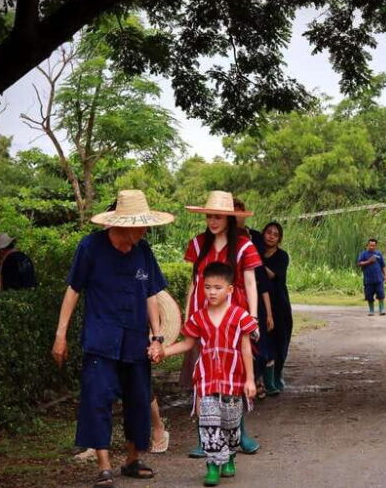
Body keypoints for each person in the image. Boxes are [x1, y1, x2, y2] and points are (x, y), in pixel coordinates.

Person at [51, 189, 172, 488]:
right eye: (140, 226)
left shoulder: (142, 251)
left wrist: (156, 337)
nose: (144, 231)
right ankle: (104, 466)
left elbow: (151, 295)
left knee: (138, 400)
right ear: (123, 223)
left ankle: (131, 460)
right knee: (97, 400)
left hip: (134, 341)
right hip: (100, 339)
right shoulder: (90, 247)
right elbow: (73, 290)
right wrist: (60, 335)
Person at [159, 261, 257, 485]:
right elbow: (187, 344)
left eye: (218, 288)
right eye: (207, 287)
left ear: (230, 289)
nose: (211, 292)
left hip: (233, 380)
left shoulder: (240, 317)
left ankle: (230, 456)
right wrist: (164, 352)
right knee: (209, 423)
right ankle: (212, 465)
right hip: (206, 380)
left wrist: (250, 380)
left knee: (231, 425)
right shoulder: (198, 318)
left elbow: (245, 348)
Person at [180, 190, 262, 457]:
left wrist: (253, 317)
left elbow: (250, 282)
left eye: (218, 216)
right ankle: (205, 437)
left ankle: (238, 431)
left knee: (234, 373)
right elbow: (194, 283)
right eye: (209, 216)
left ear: (229, 218)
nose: (212, 221)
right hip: (202, 316)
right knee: (203, 374)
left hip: (233, 315)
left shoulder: (244, 246)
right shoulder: (197, 243)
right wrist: (186, 314)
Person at [233, 198, 278, 397]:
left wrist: (265, 313)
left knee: (256, 341)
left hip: (251, 299)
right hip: (226, 299)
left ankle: (258, 380)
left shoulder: (253, 240)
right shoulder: (211, 240)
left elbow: (259, 279)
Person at [262, 221, 293, 391]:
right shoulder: (257, 252)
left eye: (275, 234)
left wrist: (255, 262)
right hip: (261, 301)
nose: (271, 236)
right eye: (268, 232)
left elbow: (272, 274)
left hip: (279, 303)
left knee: (281, 338)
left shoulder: (282, 256)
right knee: (265, 339)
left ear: (279, 238)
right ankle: (265, 377)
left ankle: (277, 374)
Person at [357, 238, 386, 316]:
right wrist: (368, 261)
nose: (371, 247)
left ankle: (382, 309)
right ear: (368, 245)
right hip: (368, 279)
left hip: (378, 278)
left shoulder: (378, 254)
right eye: (370, 245)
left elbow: (383, 266)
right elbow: (359, 263)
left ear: (376, 246)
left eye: (373, 246)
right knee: (369, 295)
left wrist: (385, 275)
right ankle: (371, 310)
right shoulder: (363, 254)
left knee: (381, 294)